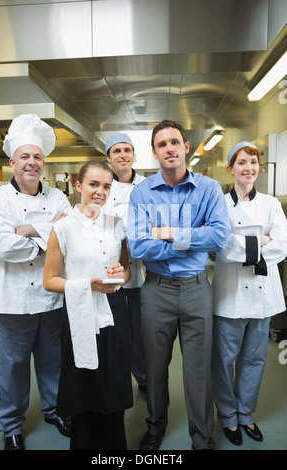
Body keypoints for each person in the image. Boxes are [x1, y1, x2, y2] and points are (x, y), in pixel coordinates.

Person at [127, 119, 231, 450]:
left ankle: (201, 437)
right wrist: (193, 237)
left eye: (175, 142)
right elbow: (139, 247)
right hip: (156, 289)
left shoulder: (210, 189)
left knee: (199, 370)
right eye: (162, 144)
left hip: (197, 288)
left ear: (186, 147)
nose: (169, 148)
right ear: (155, 152)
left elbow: (218, 236)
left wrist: (168, 233)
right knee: (155, 368)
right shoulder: (142, 192)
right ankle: (155, 427)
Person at [0, 114, 72, 450]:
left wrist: (29, 229)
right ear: (12, 162)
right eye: (25, 156)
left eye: (37, 156)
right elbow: (5, 248)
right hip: (13, 301)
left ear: (43, 162)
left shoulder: (57, 198)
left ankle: (54, 410)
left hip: (52, 297)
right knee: (12, 368)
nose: (32, 163)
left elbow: (70, 237)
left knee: (54, 362)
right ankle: (11, 426)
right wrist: (50, 230)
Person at [43, 161, 133, 450]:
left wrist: (121, 276)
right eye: (94, 184)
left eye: (106, 186)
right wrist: (86, 286)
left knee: (113, 383)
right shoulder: (63, 227)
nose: (100, 192)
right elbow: (50, 280)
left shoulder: (117, 224)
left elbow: (127, 270)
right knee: (83, 386)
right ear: (78, 186)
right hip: (80, 314)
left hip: (115, 311)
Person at [211, 141, 287, 446]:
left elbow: (282, 245)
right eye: (242, 162)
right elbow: (223, 247)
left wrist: (245, 244)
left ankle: (245, 413)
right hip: (230, 296)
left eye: (254, 163)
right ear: (231, 168)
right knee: (223, 359)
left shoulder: (271, 204)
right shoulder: (219, 204)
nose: (249, 168)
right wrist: (261, 240)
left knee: (254, 358)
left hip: (264, 297)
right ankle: (228, 416)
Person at [104, 132, 146, 393]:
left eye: (127, 150)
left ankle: (143, 378)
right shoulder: (103, 185)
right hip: (113, 273)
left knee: (142, 333)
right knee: (116, 333)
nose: (123, 155)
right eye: (116, 151)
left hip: (144, 274)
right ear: (108, 157)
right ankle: (118, 384)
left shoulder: (149, 185)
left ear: (133, 155)